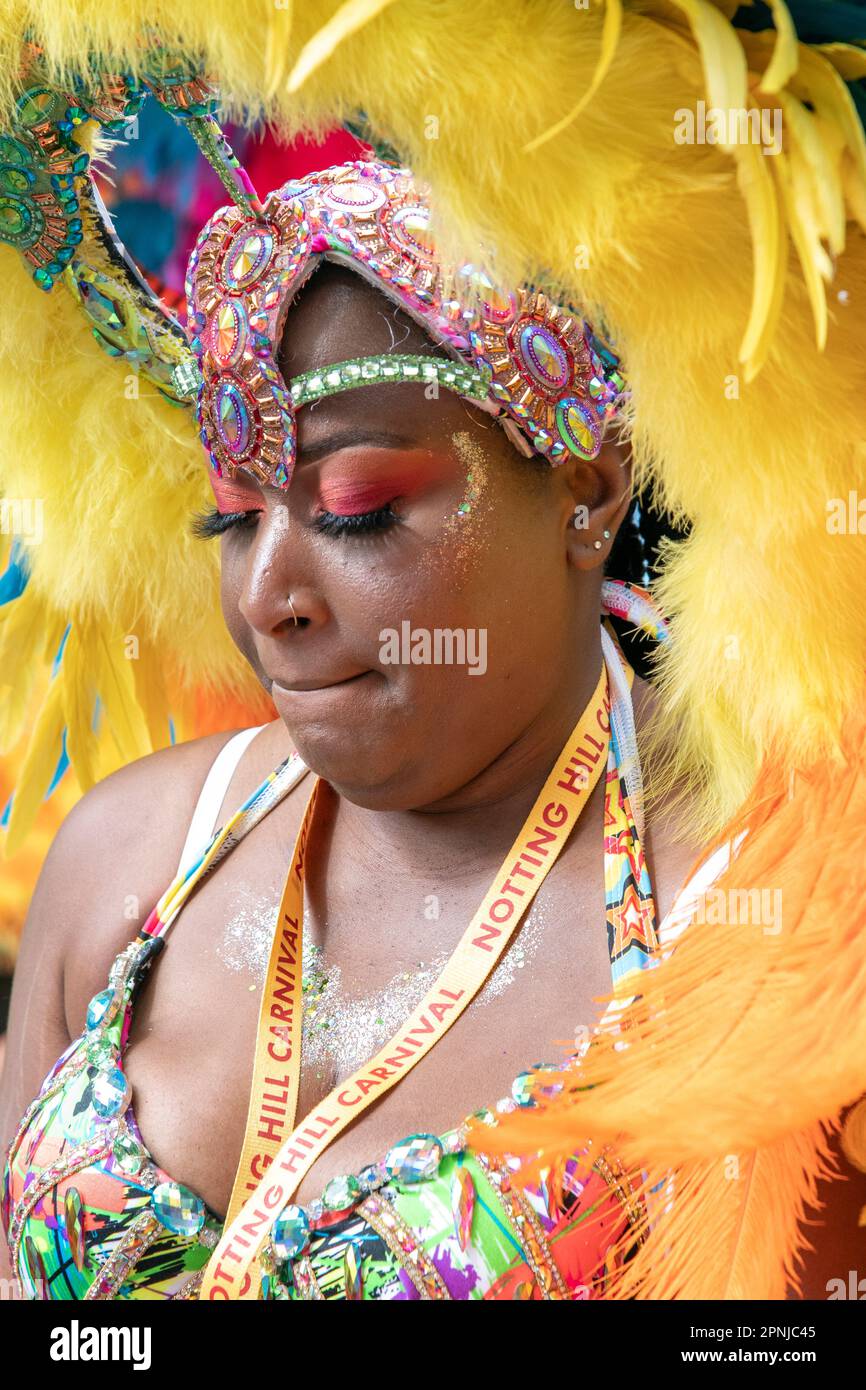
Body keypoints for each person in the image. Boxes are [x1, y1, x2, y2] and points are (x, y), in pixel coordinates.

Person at [1, 4, 865, 1301]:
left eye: (355, 511)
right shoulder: (125, 853)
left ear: (584, 488)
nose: (269, 597)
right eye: (229, 518)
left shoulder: (759, 962)